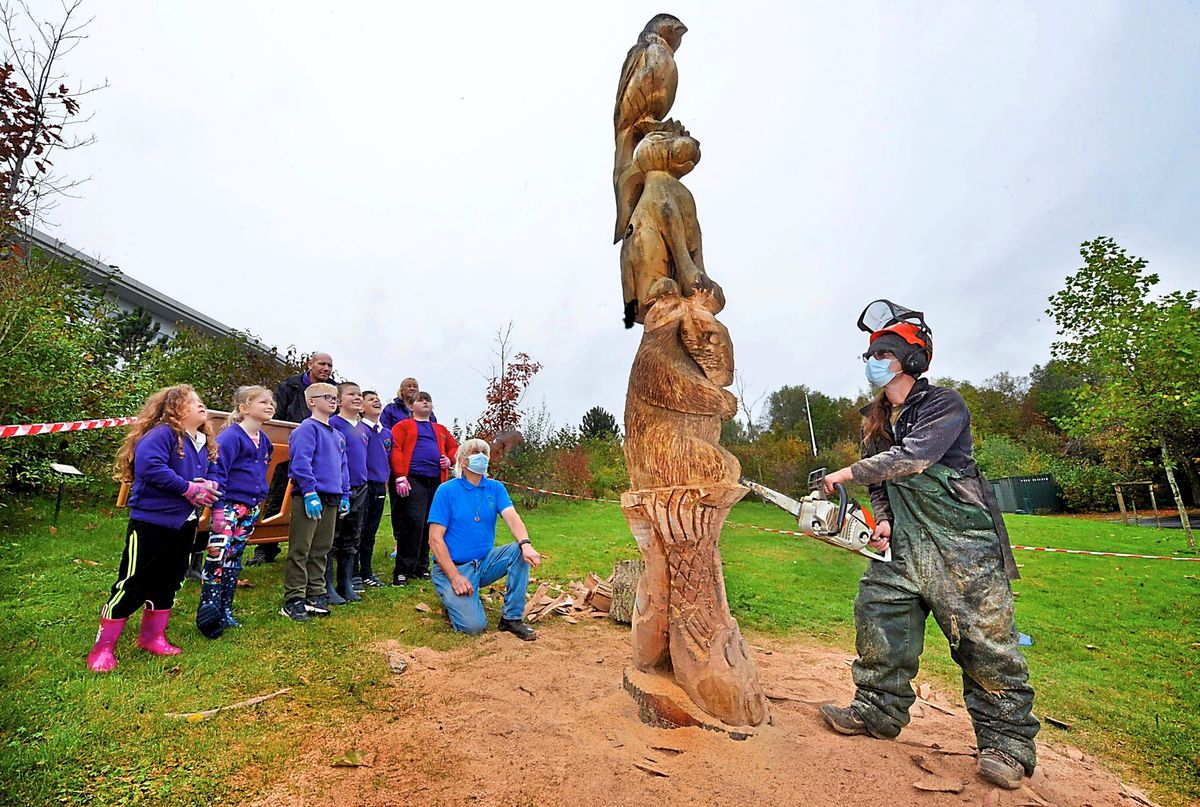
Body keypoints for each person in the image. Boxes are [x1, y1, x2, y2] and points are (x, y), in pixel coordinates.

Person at [817, 300, 1038, 790]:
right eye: (871, 354)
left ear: (911, 358)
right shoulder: (874, 420)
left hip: (961, 545)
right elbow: (883, 485)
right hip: (906, 545)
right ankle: (876, 709)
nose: (875, 362)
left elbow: (914, 459)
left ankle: (1007, 743)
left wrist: (844, 474)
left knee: (984, 640)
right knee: (878, 613)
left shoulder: (943, 405)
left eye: (884, 353)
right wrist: (887, 522)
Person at [87, 384, 220, 672]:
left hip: (185, 524)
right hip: (151, 522)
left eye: (200, 400)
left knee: (170, 580)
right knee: (133, 582)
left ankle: (152, 637)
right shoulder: (162, 435)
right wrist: (187, 488)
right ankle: (103, 647)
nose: (201, 405)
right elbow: (151, 467)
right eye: (192, 401)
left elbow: (209, 472)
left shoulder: (201, 440)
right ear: (174, 409)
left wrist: (210, 484)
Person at [427, 438, 540, 641]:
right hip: (453, 567)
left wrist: (526, 544)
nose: (481, 456)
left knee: (518, 551)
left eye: (484, 452)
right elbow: (435, 540)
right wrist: (455, 577)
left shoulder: (495, 488)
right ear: (462, 461)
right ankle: (452, 596)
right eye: (474, 452)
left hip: (484, 563)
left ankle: (511, 619)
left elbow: (513, 518)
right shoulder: (447, 490)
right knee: (474, 627)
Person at [196, 386, 275, 638]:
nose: (270, 405)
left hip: (249, 508)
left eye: (271, 402)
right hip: (228, 506)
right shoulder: (231, 437)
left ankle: (226, 609)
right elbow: (217, 471)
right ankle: (209, 610)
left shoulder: (265, 441)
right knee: (217, 557)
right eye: (263, 402)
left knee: (235, 557)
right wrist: (218, 508)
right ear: (244, 408)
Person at [248, 351, 334, 566]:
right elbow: (276, 417)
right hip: (289, 450)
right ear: (310, 364)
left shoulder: (333, 388)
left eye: (329, 365)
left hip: (321, 454)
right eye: (322, 364)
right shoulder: (290, 386)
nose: (326, 368)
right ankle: (266, 548)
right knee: (276, 497)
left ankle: (316, 549)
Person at [280, 382, 349, 622]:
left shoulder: (338, 435)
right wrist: (309, 492)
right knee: (301, 548)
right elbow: (300, 462)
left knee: (321, 548)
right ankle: (294, 598)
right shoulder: (306, 429)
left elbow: (343, 467)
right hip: (310, 496)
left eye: (335, 397)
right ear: (311, 401)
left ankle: (315, 593)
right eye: (327, 397)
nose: (333, 401)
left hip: (332, 497)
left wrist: (345, 494)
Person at [389, 391, 457, 585]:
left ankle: (422, 566)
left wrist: (449, 459)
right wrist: (400, 475)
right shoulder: (403, 426)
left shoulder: (440, 429)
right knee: (412, 522)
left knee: (431, 523)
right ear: (411, 406)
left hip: (436, 480)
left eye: (428, 400)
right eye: (420, 399)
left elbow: (454, 448)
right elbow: (396, 449)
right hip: (413, 479)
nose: (425, 402)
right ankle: (403, 569)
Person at [380, 377, 433, 562]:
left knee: (422, 512)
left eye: (415, 386)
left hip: (426, 471)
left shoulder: (428, 414)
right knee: (400, 505)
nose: (412, 389)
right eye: (408, 386)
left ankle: (421, 549)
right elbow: (385, 434)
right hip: (400, 466)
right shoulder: (391, 410)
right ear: (401, 390)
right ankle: (400, 541)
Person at [327, 382, 368, 605]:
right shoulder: (333, 424)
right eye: (351, 394)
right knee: (333, 536)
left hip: (361, 487)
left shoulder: (362, 428)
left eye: (360, 394)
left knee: (352, 536)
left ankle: (346, 583)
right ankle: (328, 585)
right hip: (340, 487)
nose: (357, 397)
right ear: (339, 400)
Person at [356, 390, 391, 589]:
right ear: (361, 408)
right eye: (370, 399)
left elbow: (387, 459)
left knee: (371, 530)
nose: (376, 401)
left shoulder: (386, 433)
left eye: (378, 399)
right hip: (362, 485)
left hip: (379, 486)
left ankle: (366, 571)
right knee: (357, 530)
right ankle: (353, 573)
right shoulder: (359, 430)